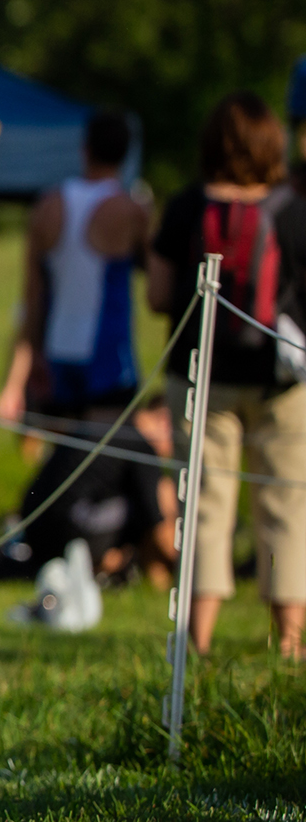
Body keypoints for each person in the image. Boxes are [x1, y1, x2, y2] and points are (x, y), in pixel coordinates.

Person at [148, 91, 306, 660]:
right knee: (287, 505)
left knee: (205, 507)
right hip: (282, 383)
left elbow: (159, 293)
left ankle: (198, 644)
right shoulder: (295, 210)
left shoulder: (187, 206)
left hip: (200, 375)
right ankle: (289, 644)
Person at [0, 112, 150, 423]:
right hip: (108, 354)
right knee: (101, 457)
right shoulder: (130, 210)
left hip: (57, 348)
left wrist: (23, 366)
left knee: (64, 453)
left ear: (85, 149)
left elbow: (32, 294)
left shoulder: (48, 205)